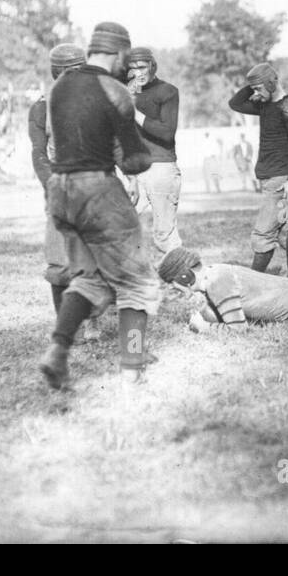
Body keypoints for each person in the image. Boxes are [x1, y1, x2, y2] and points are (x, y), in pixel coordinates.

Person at [38, 22, 161, 390]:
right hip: (97, 191)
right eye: (127, 58)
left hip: (60, 192)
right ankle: (132, 368)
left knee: (89, 280)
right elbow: (134, 161)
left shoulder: (58, 88)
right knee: (137, 283)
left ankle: (57, 351)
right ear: (120, 52)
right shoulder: (116, 91)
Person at [229, 63, 288, 272]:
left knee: (263, 234)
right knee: (284, 233)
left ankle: (253, 281)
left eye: (258, 88)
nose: (255, 93)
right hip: (269, 177)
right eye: (254, 89)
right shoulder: (264, 105)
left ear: (271, 83)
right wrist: (254, 83)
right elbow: (235, 104)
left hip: (280, 179)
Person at [27, 43, 85, 315]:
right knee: (60, 263)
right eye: (69, 72)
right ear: (56, 73)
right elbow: (38, 153)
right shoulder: (41, 108)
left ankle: (91, 320)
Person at [159, 247, 288, 325]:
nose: (175, 289)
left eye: (174, 284)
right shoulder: (216, 271)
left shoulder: (217, 283)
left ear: (184, 276)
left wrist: (204, 327)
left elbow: (238, 329)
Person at [124, 46, 183, 268]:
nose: (137, 72)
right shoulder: (125, 92)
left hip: (161, 167)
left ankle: (189, 281)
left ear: (152, 65)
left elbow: (166, 132)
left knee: (164, 236)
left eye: (141, 66)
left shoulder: (167, 91)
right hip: (135, 170)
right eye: (132, 69)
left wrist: (135, 112)